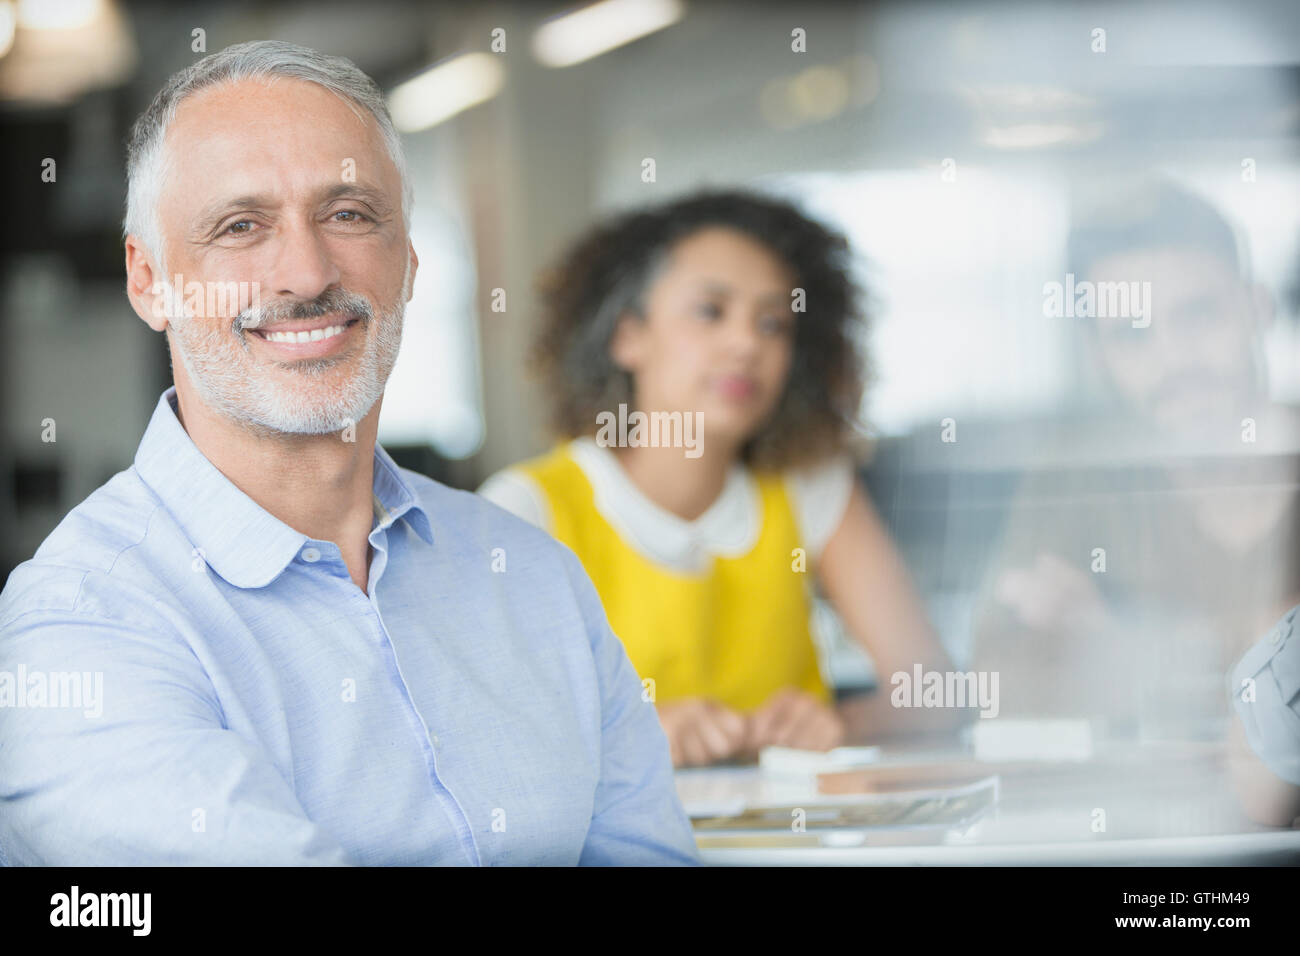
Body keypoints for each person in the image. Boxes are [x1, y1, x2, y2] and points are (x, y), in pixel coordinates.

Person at [0, 41, 698, 866]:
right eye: (241, 225)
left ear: (406, 260)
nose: (304, 271)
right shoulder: (81, 624)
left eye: (349, 213)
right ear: (150, 281)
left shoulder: (533, 574)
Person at [480, 190, 961, 768]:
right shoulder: (527, 509)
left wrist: (838, 724)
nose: (746, 343)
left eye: (773, 323)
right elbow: (480, 726)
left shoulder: (810, 489)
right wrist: (626, 733)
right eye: (710, 311)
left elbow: (936, 692)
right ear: (627, 335)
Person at [971, 178, 1300, 738]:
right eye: (1132, 333)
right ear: (1098, 355)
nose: (1174, 361)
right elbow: (992, 688)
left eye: (1198, 316)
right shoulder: (1079, 478)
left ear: (1257, 307)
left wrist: (1130, 658)